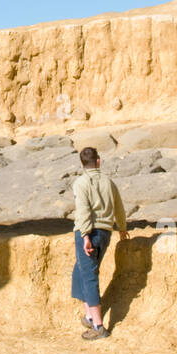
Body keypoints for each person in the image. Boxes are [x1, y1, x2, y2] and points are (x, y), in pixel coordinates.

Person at [71, 146, 128, 340]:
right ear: (98, 161)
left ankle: (98, 326)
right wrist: (122, 227)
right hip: (105, 232)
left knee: (88, 276)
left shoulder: (81, 183)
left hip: (88, 232)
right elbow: (118, 205)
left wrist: (85, 235)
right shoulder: (108, 182)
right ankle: (89, 316)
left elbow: (83, 210)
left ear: (82, 164)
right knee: (80, 272)